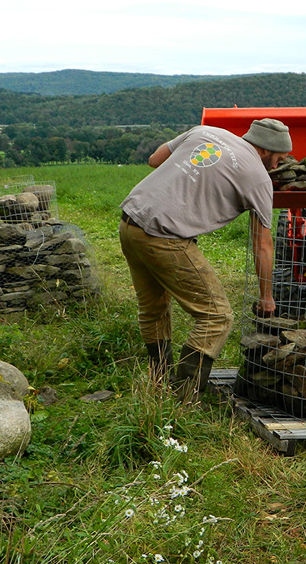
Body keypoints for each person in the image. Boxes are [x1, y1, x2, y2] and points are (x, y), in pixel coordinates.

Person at [119, 118, 293, 401]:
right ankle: (184, 397)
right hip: (163, 236)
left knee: (154, 309)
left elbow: (154, 160)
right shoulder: (259, 178)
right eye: (279, 159)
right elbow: (262, 242)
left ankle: (158, 384)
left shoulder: (205, 132)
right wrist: (266, 296)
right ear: (266, 150)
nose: (277, 166)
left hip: (130, 223)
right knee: (217, 316)